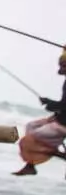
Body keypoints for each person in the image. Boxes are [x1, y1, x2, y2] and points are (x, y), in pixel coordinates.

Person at [14, 47, 66, 175]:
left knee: (29, 139)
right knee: (30, 126)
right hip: (59, 119)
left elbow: (64, 105)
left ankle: (55, 152)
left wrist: (50, 105)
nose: (61, 68)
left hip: (62, 125)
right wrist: (49, 103)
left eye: (64, 65)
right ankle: (30, 165)